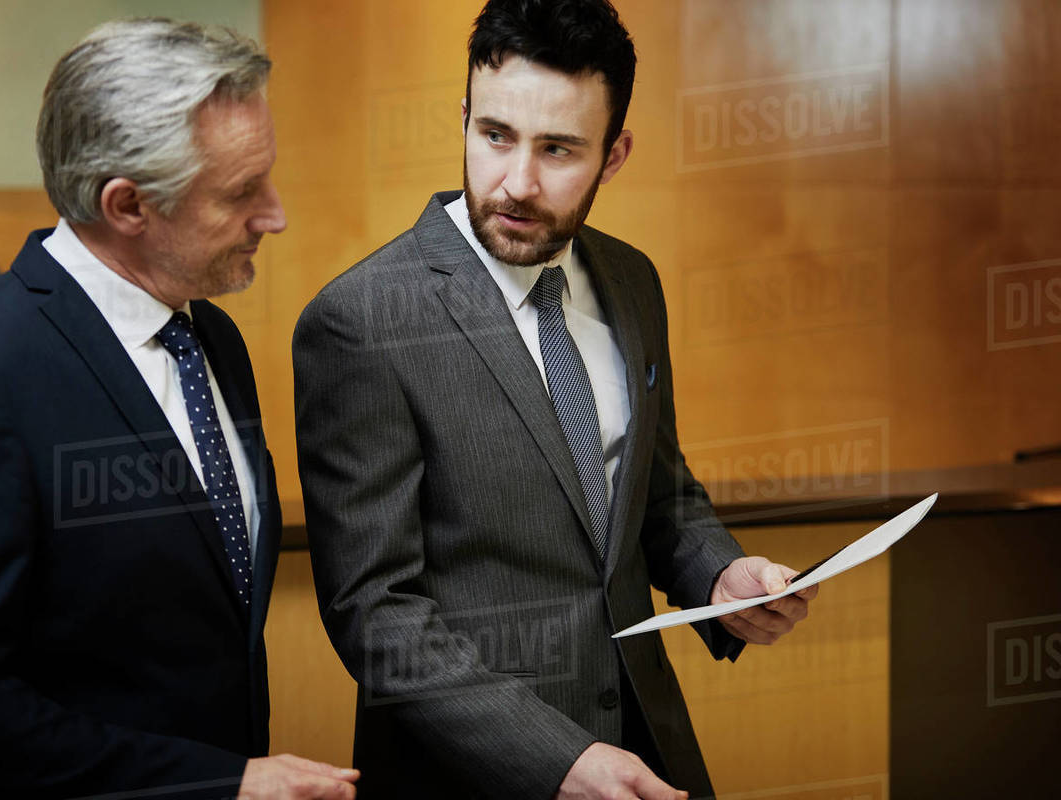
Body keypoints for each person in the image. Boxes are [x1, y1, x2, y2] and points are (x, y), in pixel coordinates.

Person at [293, 2, 818, 798]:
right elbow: (378, 616)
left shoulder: (633, 281)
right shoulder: (361, 321)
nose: (517, 182)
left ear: (614, 155)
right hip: (468, 776)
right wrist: (555, 758)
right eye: (495, 134)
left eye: (560, 149)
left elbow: (659, 493)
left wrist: (720, 575)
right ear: (464, 117)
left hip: (648, 745)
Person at [0, 19, 358, 800]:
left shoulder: (214, 341)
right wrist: (219, 784)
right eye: (242, 191)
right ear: (128, 205)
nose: (275, 215)